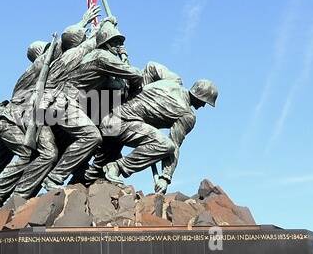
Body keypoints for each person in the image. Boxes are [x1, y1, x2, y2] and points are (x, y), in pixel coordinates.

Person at [0, 6, 99, 218]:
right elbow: (65, 45)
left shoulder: (39, 72)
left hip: (12, 119)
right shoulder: (38, 66)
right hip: (16, 119)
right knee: (40, 153)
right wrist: (83, 26)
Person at [29, 16, 145, 192]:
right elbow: (134, 74)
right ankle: (54, 178)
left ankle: (79, 176)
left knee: (96, 137)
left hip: (65, 103)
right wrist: (131, 74)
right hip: (62, 102)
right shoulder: (102, 56)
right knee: (92, 136)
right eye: (114, 42)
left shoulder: (100, 58)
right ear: (105, 43)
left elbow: (118, 85)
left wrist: (123, 58)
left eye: (119, 43)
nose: (117, 46)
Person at [85, 68, 218, 194]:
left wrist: (139, 93)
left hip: (110, 116)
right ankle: (117, 167)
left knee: (95, 171)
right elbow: (174, 144)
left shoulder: (173, 80)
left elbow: (151, 67)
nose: (203, 106)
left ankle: (82, 184)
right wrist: (165, 178)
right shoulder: (188, 115)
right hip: (121, 125)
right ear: (199, 97)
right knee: (165, 145)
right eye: (205, 102)